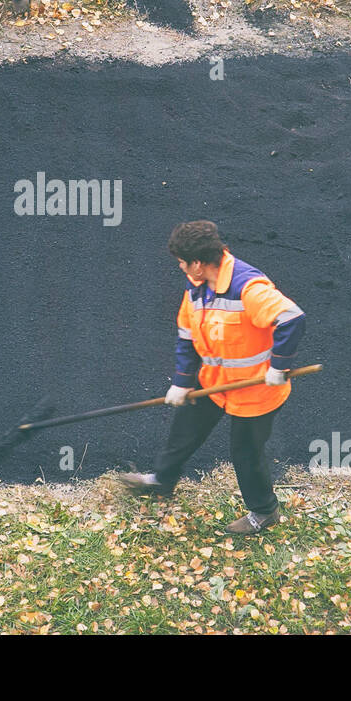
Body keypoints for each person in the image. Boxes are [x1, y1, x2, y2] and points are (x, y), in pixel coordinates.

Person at [118, 221, 306, 535]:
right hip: (215, 381)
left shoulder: (248, 288)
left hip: (254, 389)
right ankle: (163, 480)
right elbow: (186, 336)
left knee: (245, 452)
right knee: (185, 428)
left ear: (199, 263)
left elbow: (292, 318)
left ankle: (264, 511)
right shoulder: (196, 288)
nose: (179, 266)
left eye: (181, 261)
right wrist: (182, 380)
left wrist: (279, 366)